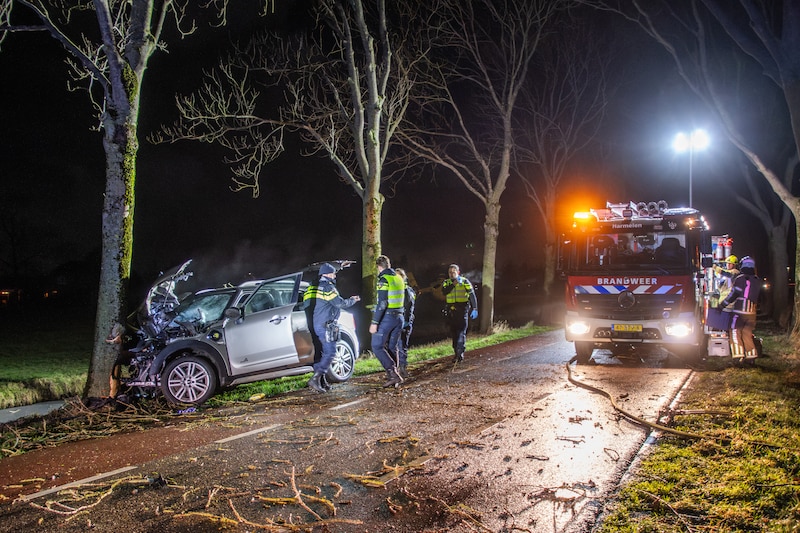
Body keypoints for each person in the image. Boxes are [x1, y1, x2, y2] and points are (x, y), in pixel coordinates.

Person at [307, 263, 360, 393]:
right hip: (325, 325)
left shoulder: (319, 286)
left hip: (320, 323)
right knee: (331, 352)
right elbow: (339, 303)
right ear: (328, 274)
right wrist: (352, 300)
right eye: (333, 273)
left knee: (325, 353)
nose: (335, 275)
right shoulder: (328, 287)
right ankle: (315, 378)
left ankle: (321, 382)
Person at [369, 255, 406, 387]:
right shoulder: (398, 278)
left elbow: (383, 303)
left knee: (377, 346)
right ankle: (394, 376)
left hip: (388, 317)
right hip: (399, 316)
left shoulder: (384, 279)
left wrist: (374, 322)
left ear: (379, 267)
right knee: (392, 347)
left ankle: (393, 374)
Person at [718, 256, 760, 361]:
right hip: (752, 312)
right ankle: (751, 357)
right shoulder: (757, 280)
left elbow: (734, 294)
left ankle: (738, 356)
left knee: (735, 332)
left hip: (739, 312)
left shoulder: (740, 279)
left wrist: (722, 305)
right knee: (747, 334)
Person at [441, 264, 478, 363]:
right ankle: (456, 352)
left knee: (461, 332)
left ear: (458, 272)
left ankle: (460, 353)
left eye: (453, 272)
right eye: (450, 272)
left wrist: (475, 308)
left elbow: (472, 295)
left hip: (462, 310)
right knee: (454, 333)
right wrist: (453, 284)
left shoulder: (465, 281)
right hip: (451, 311)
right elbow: (444, 292)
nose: (451, 274)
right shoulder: (446, 282)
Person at [394, 268, 416, 379]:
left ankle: (402, 367)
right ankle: (400, 367)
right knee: (398, 345)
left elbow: (410, 306)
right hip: (397, 321)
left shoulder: (407, 290)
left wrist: (406, 320)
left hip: (405, 322)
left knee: (402, 345)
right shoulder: (395, 289)